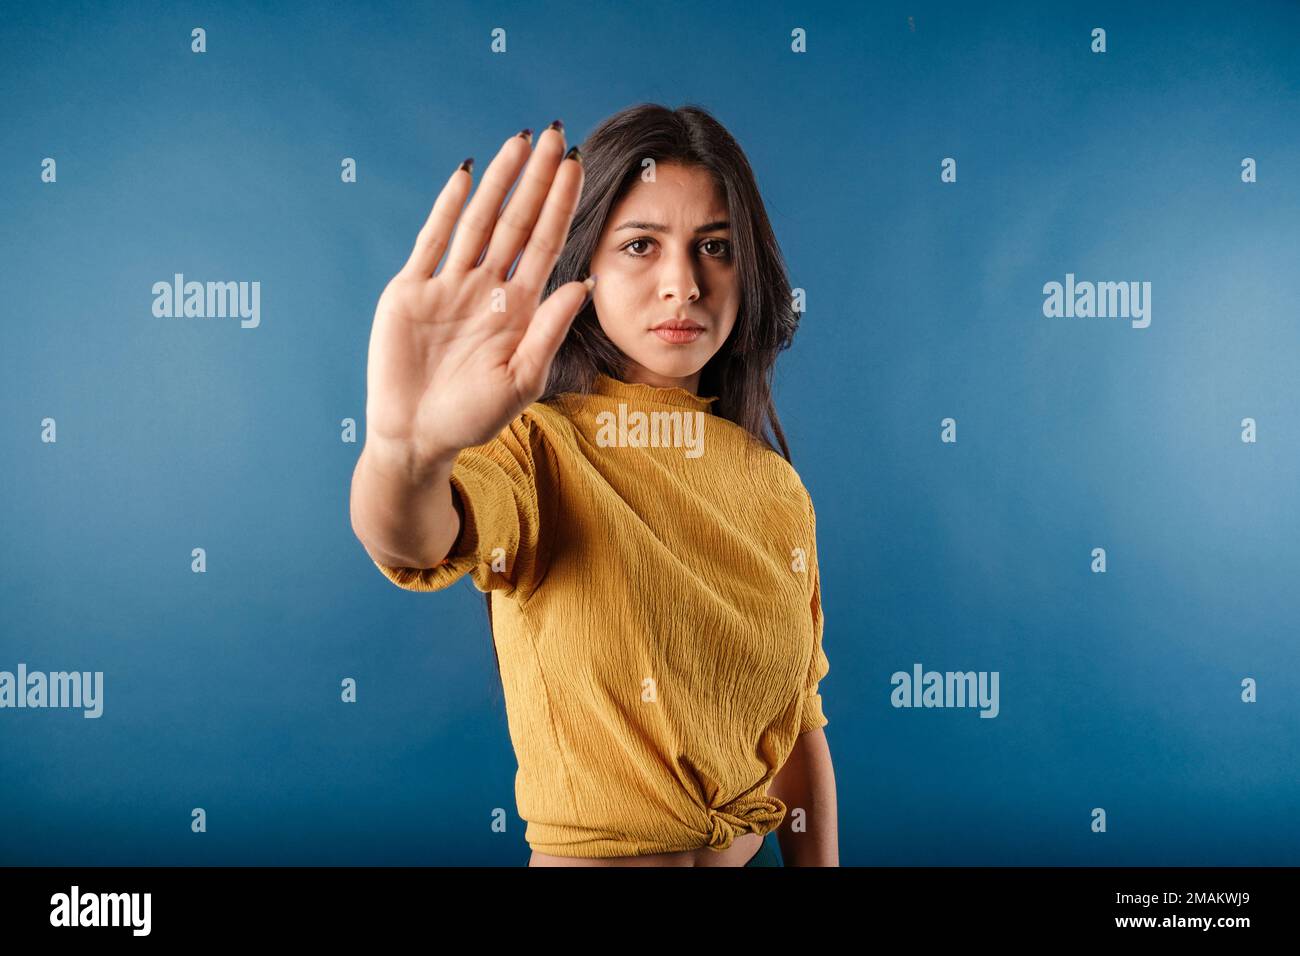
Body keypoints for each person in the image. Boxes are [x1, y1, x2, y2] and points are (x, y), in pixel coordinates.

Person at [350, 104, 838, 867]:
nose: (683, 284)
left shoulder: (775, 488)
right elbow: (416, 536)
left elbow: (798, 725)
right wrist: (404, 456)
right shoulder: (538, 449)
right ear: (585, 271)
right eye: (641, 245)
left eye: (714, 247)